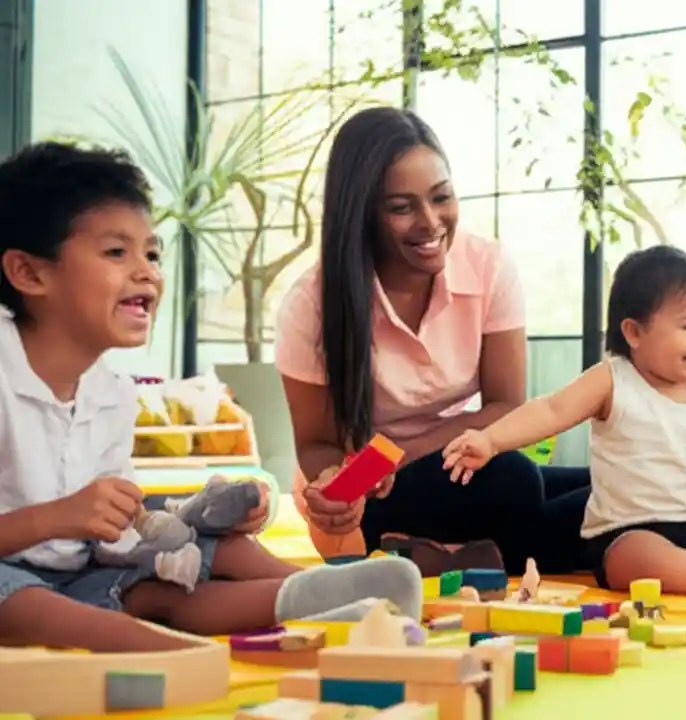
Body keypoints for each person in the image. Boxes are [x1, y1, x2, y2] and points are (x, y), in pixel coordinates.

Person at [0, 142, 424, 652]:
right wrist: (56, 517)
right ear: (29, 273)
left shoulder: (111, 393)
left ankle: (318, 595)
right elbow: (68, 519)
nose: (147, 272)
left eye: (152, 253)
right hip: (13, 582)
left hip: (83, 571)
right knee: (27, 601)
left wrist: (172, 525)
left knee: (176, 574)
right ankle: (180, 655)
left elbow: (114, 531)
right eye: (116, 252)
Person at [275, 107, 589, 575]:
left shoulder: (487, 267)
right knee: (518, 482)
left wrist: (399, 456)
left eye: (441, 197)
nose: (431, 222)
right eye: (402, 208)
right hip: (365, 500)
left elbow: (505, 407)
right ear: (362, 213)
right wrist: (334, 482)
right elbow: (317, 443)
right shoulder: (311, 303)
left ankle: (460, 551)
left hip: (451, 463)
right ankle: (600, 534)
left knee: (613, 484)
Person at [443, 246, 686, 599]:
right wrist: (491, 440)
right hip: (628, 530)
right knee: (644, 563)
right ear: (634, 332)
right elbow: (551, 411)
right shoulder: (614, 380)